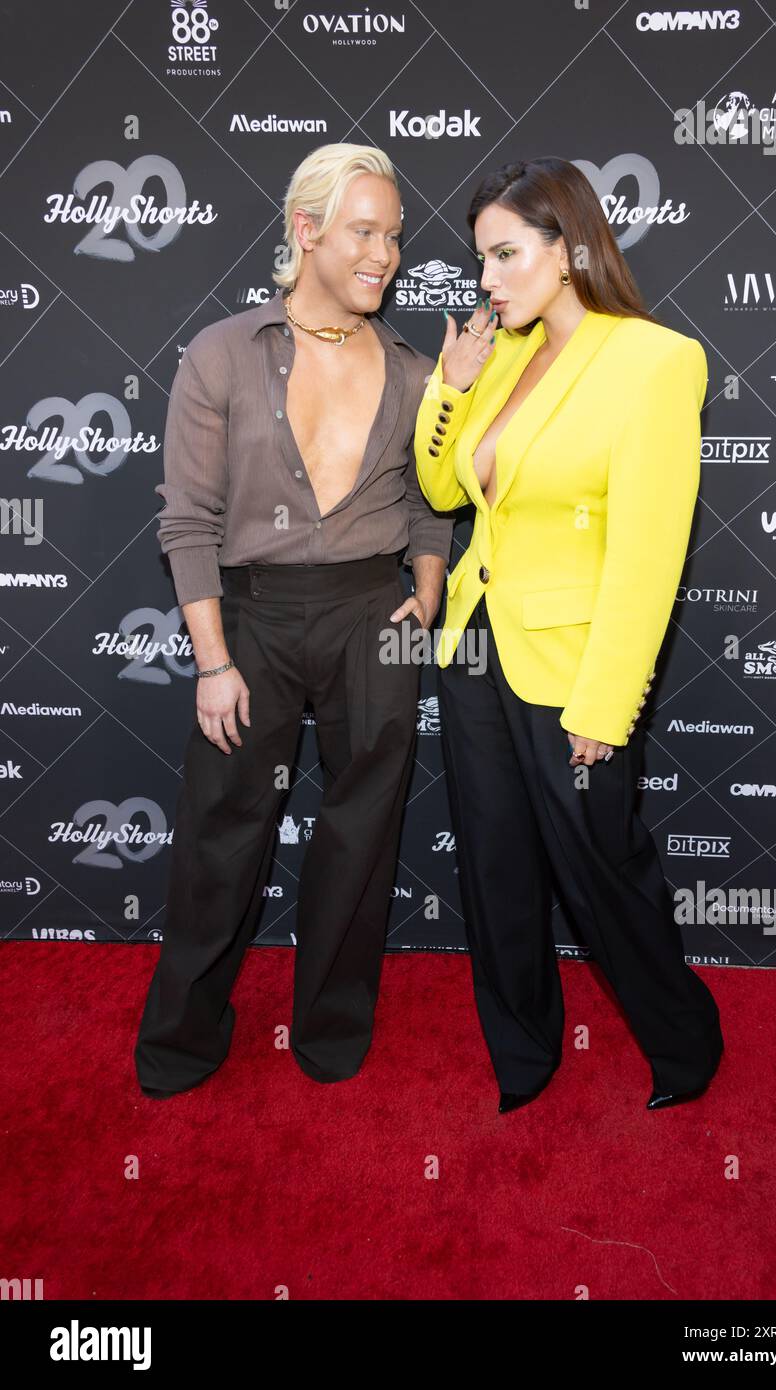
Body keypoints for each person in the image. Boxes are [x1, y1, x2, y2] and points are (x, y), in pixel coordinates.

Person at [134, 144, 451, 1098]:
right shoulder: (224, 352)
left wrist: (426, 592)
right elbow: (186, 519)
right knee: (221, 832)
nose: (385, 254)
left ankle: (330, 1028)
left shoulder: (411, 368)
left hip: (373, 613)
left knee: (361, 834)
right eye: (364, 231)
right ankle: (183, 1041)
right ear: (306, 231)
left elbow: (433, 502)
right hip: (255, 620)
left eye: (393, 235)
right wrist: (212, 660)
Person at [414, 157, 724, 1115]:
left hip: (572, 666)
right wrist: (449, 388)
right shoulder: (496, 355)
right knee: (494, 859)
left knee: (602, 866)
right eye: (481, 262)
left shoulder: (654, 361)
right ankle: (522, 1052)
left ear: (571, 246)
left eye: (506, 255)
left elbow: (647, 553)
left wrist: (606, 700)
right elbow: (441, 491)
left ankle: (682, 1045)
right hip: (474, 648)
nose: (487, 282)